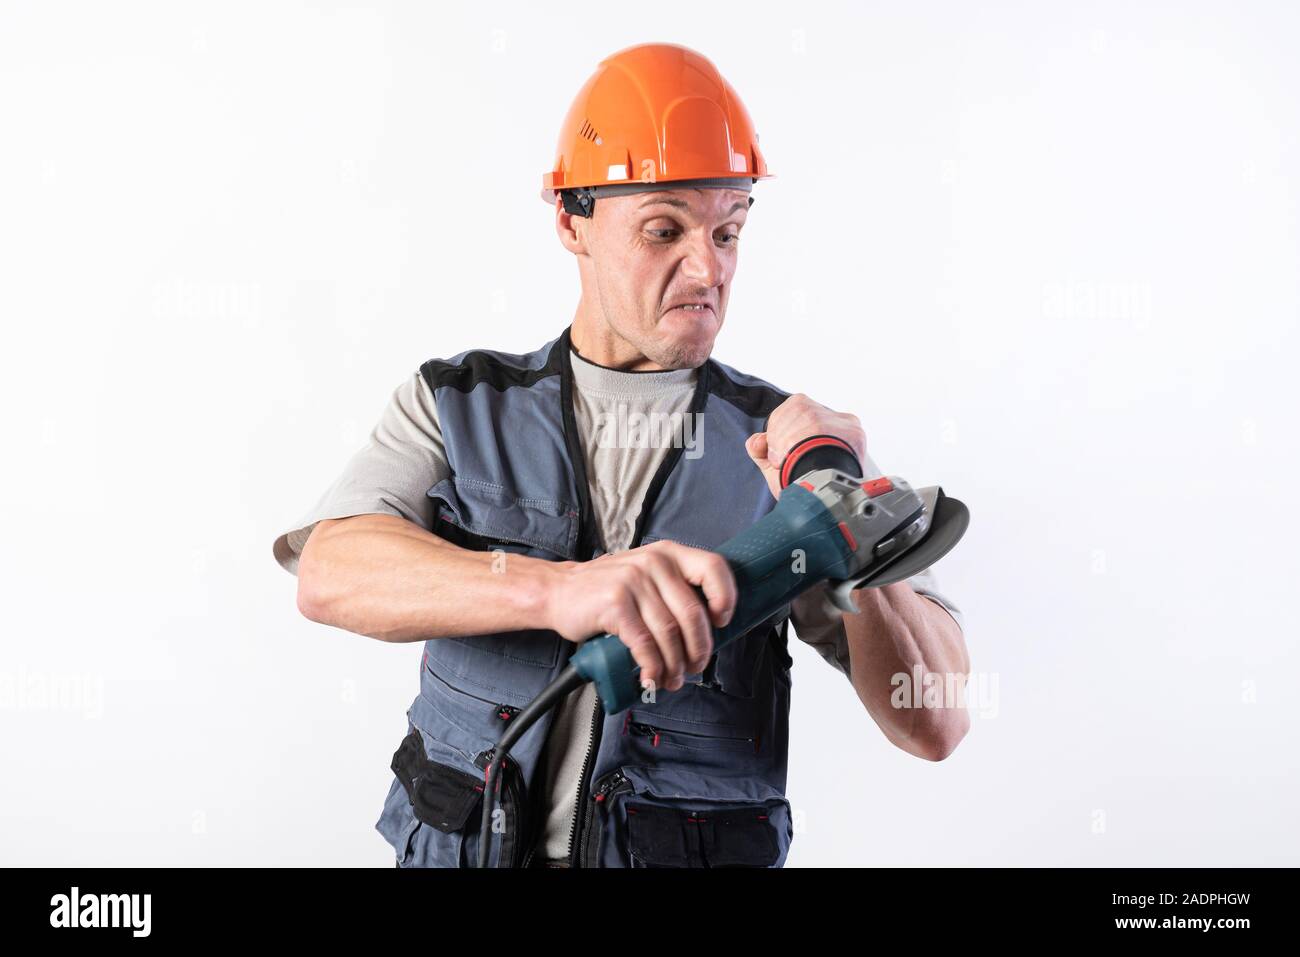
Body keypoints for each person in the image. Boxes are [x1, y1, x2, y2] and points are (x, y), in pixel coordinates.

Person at [272, 42, 970, 868]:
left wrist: (840, 522)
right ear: (571, 218)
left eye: (729, 230)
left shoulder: (783, 445)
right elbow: (331, 573)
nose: (707, 268)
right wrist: (557, 589)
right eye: (664, 229)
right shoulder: (459, 403)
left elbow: (935, 719)